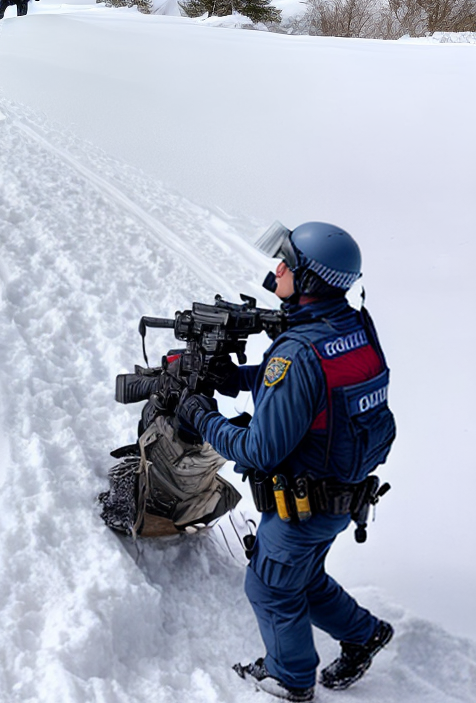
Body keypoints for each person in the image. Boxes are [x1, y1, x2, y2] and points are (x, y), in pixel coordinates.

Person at [175, 222, 396, 701]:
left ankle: (290, 679)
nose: (277, 269)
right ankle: (364, 635)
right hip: (343, 495)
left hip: (304, 505)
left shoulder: (297, 353)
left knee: (271, 588)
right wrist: (241, 379)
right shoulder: (354, 327)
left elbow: (260, 450)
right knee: (301, 578)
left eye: (287, 264)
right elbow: (320, 386)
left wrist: (202, 417)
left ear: (310, 280)